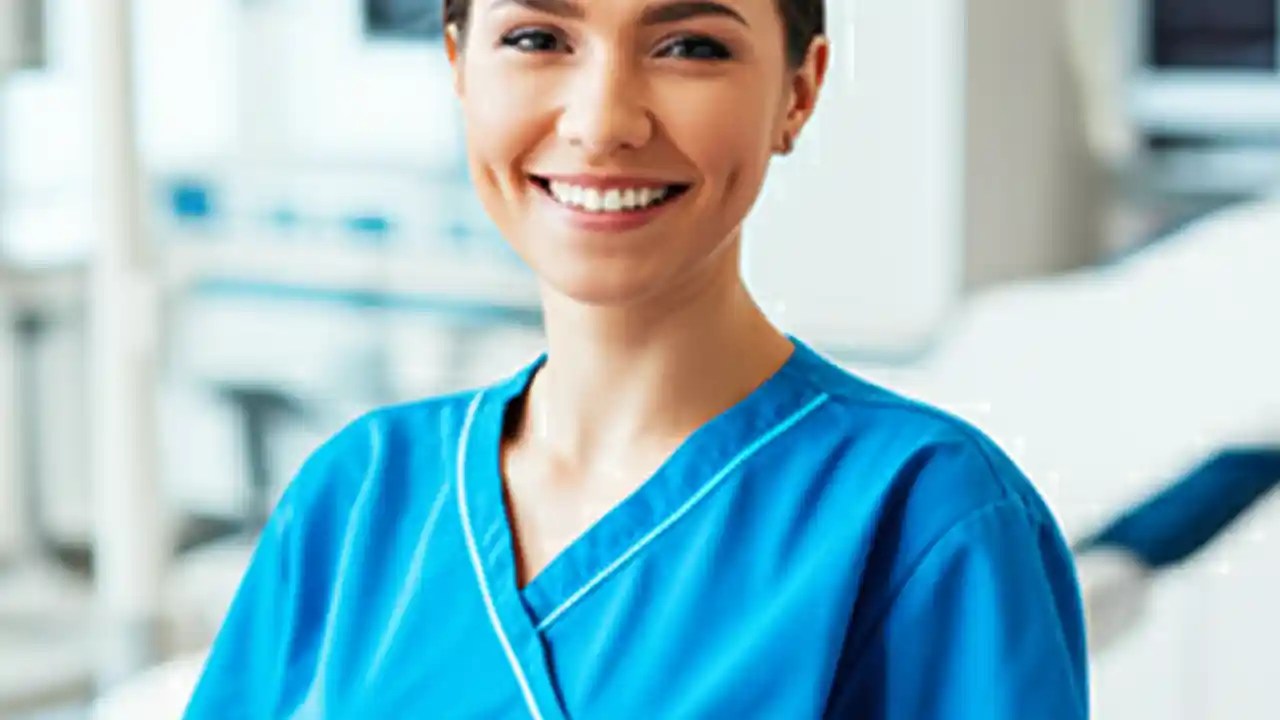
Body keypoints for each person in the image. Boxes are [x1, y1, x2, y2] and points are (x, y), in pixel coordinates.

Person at [184, 0, 1088, 717]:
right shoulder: (360, 495)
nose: (602, 121)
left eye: (690, 46)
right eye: (538, 36)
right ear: (459, 66)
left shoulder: (926, 515)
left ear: (797, 92)